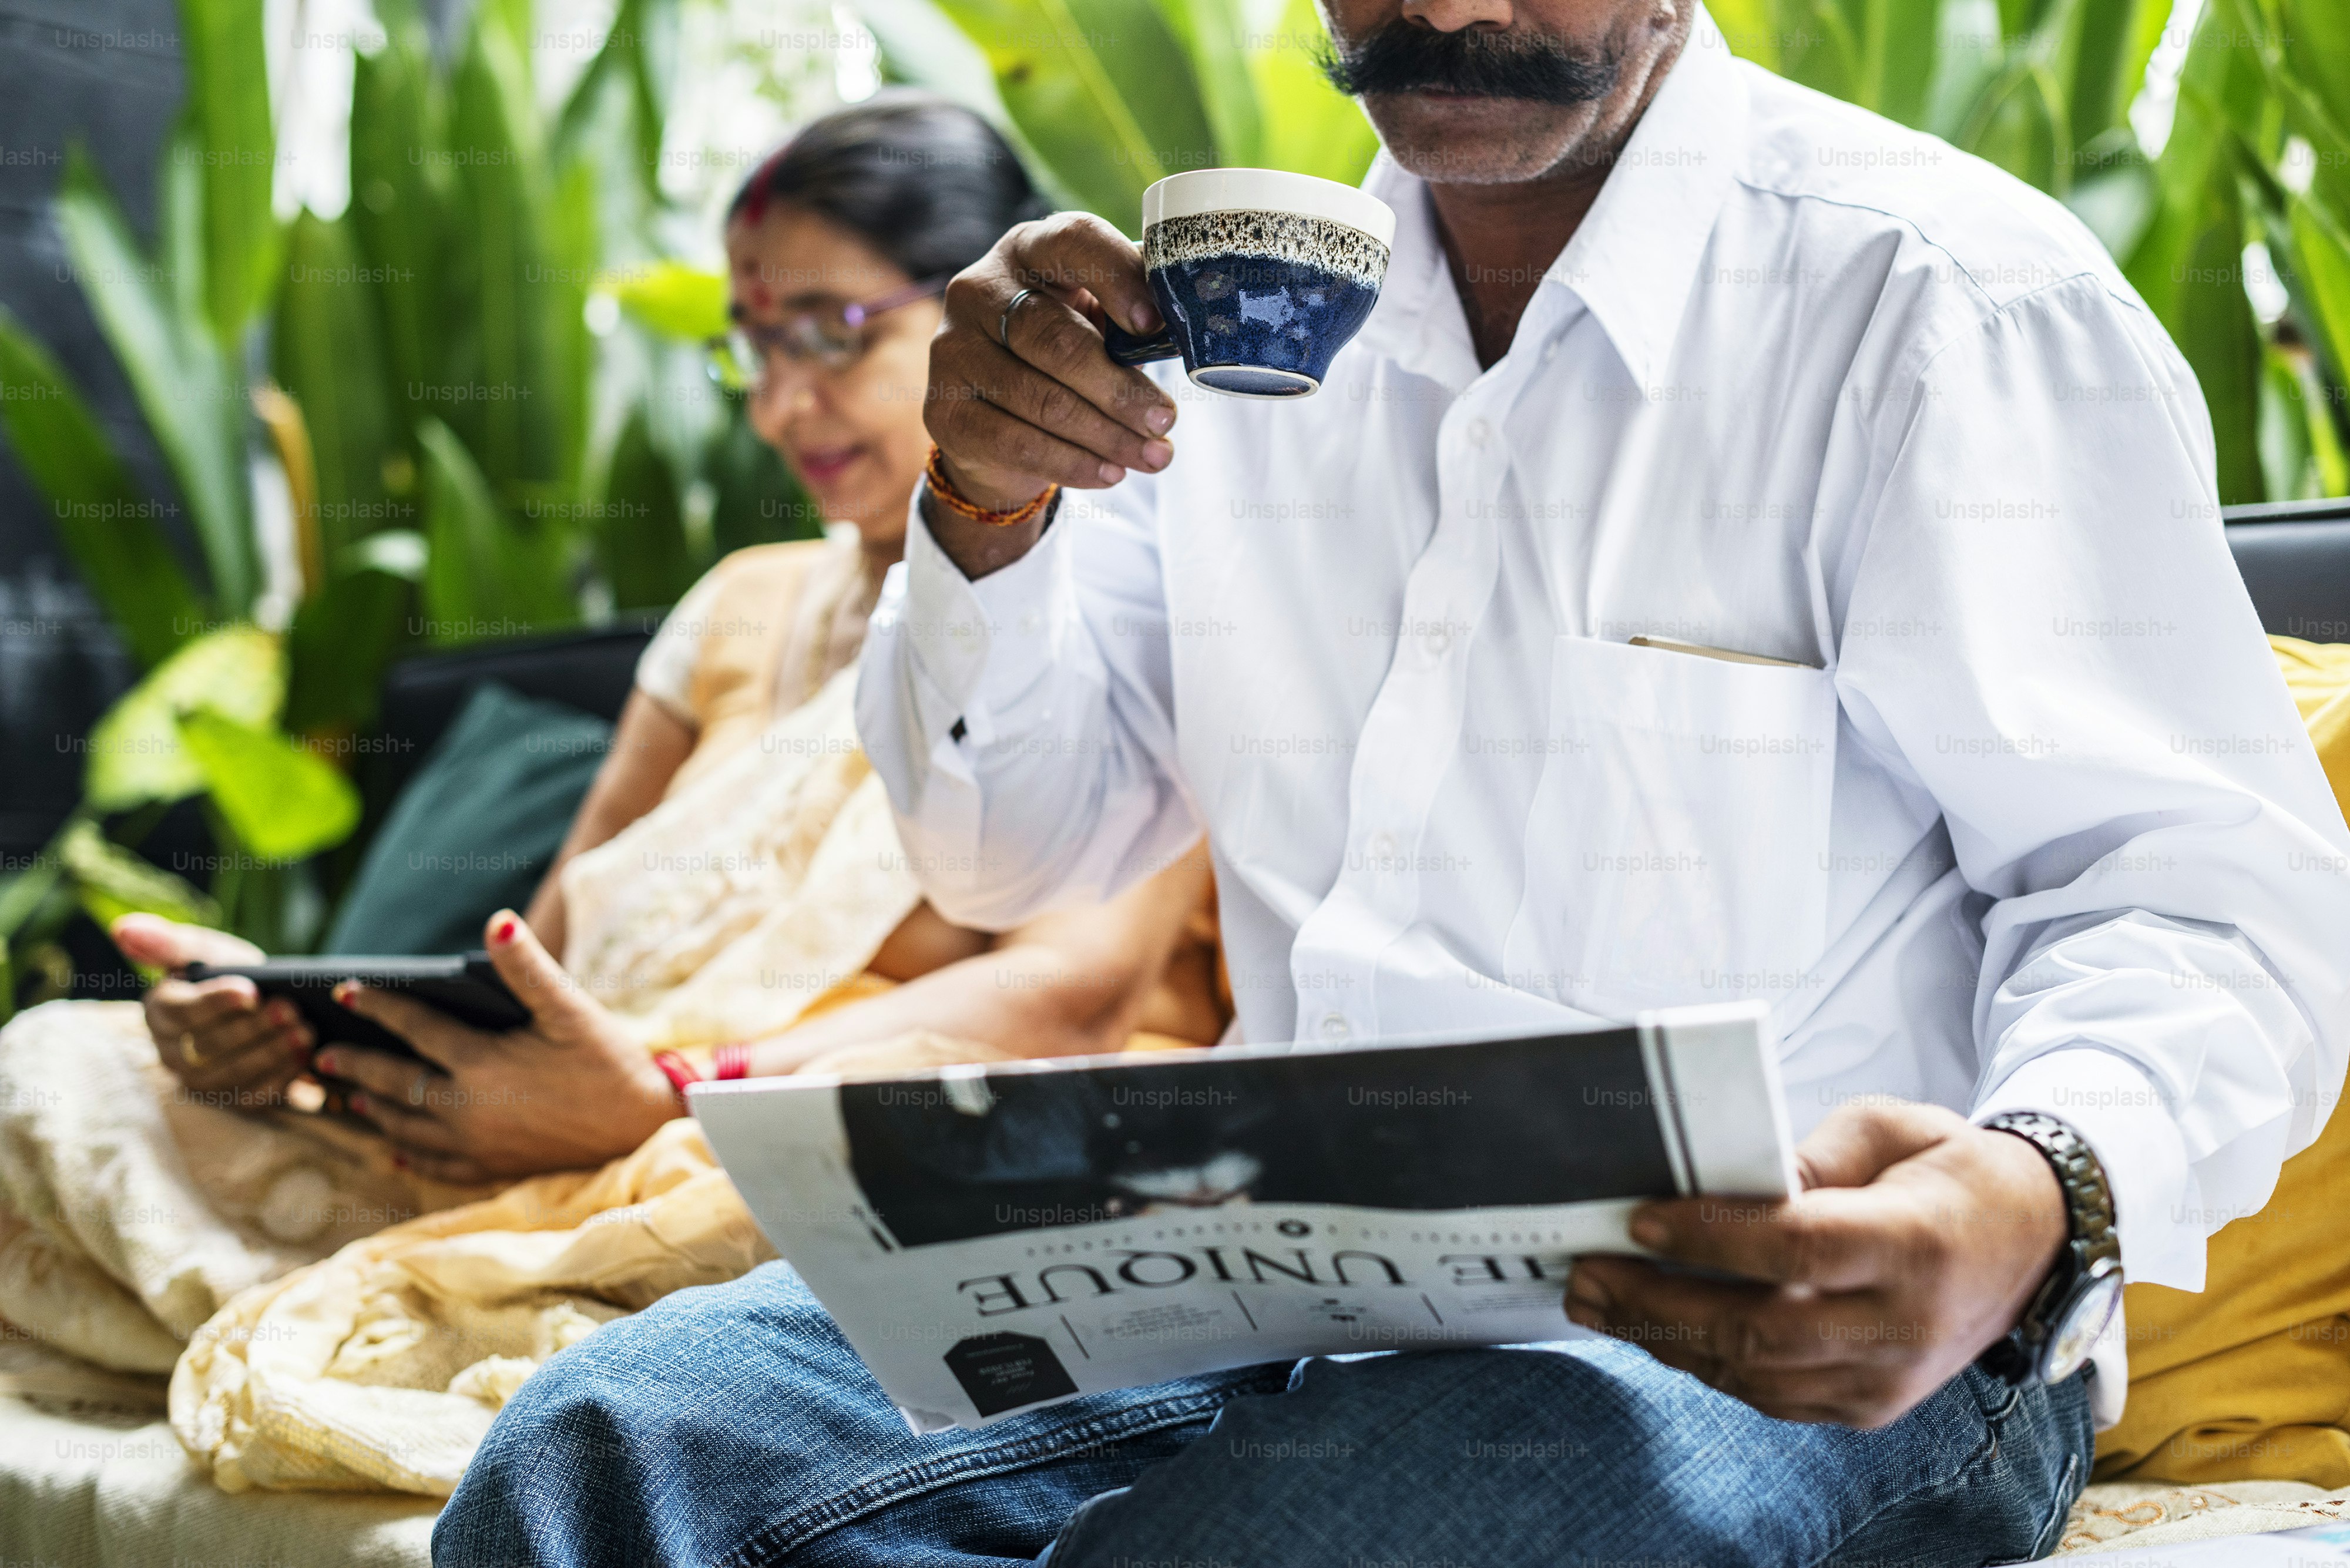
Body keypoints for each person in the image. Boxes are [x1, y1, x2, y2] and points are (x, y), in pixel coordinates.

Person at [434, 4, 2350, 1567]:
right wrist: (989, 504)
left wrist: (2024, 1201)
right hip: (1293, 1249)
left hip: (1795, 1312)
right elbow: (1010, 849)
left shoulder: (1936, 304)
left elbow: (2191, 894)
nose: (1450, 4)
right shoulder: (1207, 330)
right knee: (616, 1455)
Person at [0, 94, 1222, 1379]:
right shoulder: (741, 603)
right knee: (60, 1073)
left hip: (827, 1142)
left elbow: (1075, 992)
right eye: (754, 348)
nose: (779, 407)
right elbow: (548, 965)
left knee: (839, 1196)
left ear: (991, 314)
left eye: (830, 335)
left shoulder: (1128, 568)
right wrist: (302, 1046)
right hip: (584, 1130)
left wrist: (680, 1089)